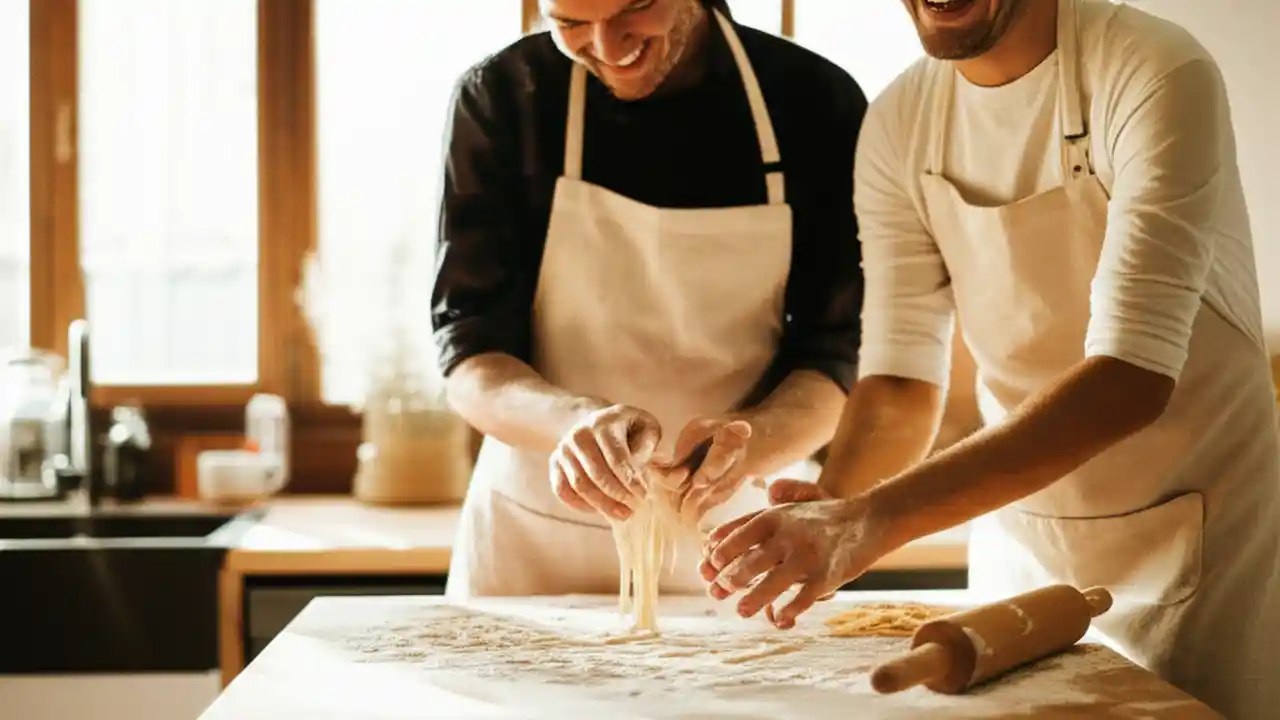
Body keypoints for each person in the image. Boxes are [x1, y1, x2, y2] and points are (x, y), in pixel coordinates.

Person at [701, 0, 1280, 716]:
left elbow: (1131, 378)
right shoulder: (901, 120)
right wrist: (838, 507)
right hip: (1021, 541)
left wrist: (872, 521)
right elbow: (900, 377)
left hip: (1194, 550)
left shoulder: (1154, 69)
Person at [431, 0, 867, 599]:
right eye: (572, 23)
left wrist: (753, 441)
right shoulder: (507, 97)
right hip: (531, 538)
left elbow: (835, 357)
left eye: (636, 9)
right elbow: (470, 358)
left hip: (738, 538)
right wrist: (573, 424)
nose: (608, 50)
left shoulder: (813, 102)